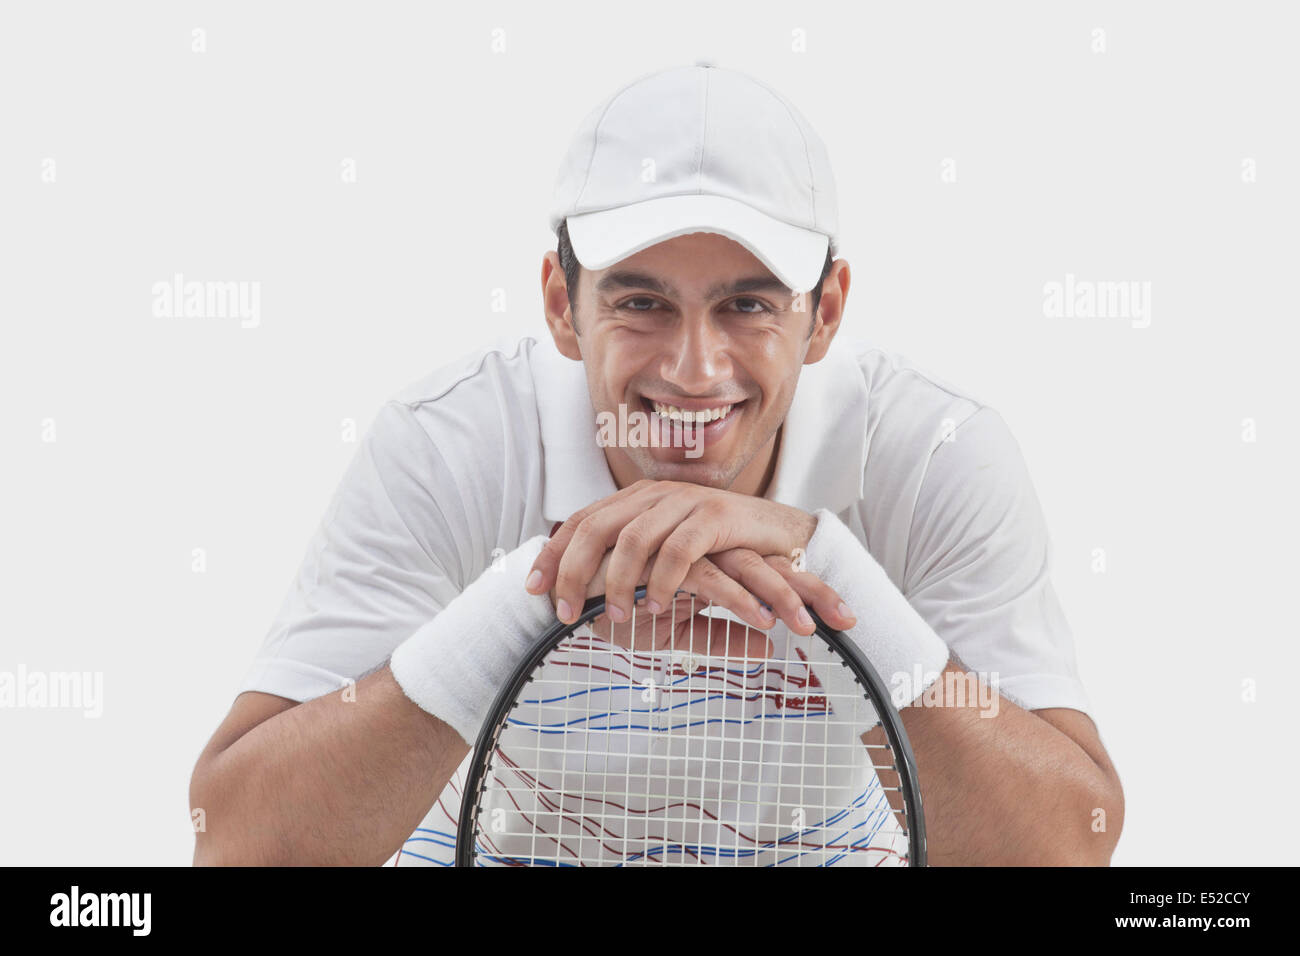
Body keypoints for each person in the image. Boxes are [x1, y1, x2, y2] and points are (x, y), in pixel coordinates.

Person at [189, 61, 1123, 866]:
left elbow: (1069, 844)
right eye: (641, 301)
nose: (694, 369)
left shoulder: (936, 453)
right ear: (561, 303)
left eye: (749, 307)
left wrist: (828, 574)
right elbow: (233, 841)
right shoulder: (448, 443)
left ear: (827, 312)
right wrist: (529, 589)